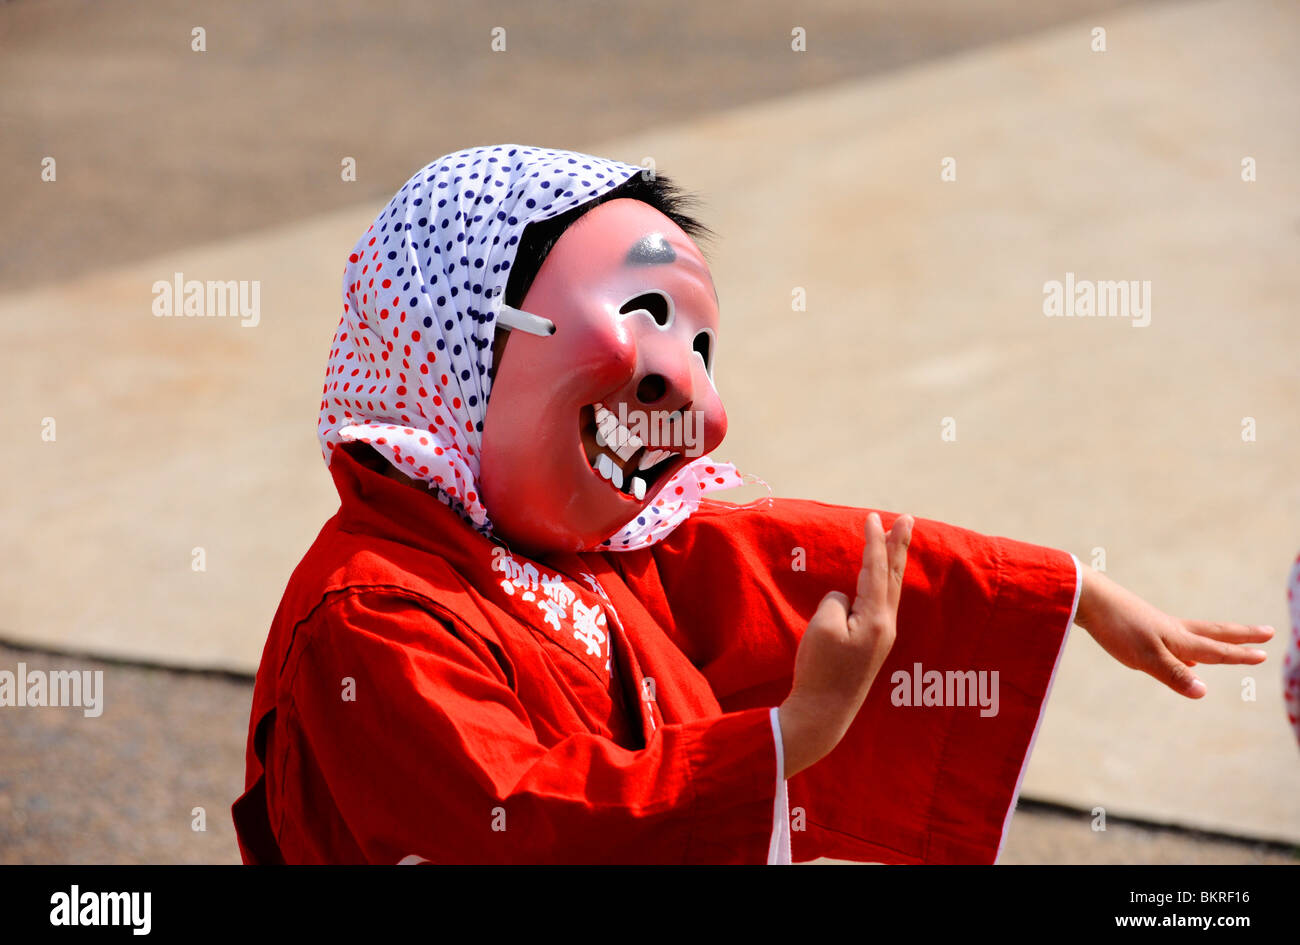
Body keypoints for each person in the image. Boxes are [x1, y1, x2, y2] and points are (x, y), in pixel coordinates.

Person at [232, 144, 1272, 864]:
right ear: (456, 328)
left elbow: (798, 558)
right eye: (647, 315)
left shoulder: (584, 549)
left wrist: (1075, 592)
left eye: (701, 347)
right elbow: (521, 814)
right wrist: (787, 734)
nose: (692, 398)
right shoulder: (373, 617)